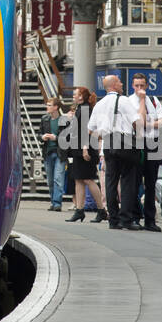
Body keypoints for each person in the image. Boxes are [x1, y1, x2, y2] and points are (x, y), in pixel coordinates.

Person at [88, 74, 138, 229]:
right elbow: (136, 122)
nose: (122, 83)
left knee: (110, 182)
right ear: (114, 85)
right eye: (119, 81)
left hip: (108, 143)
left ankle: (113, 220)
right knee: (128, 181)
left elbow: (90, 130)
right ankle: (126, 219)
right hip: (125, 141)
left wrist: (104, 134)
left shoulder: (99, 104)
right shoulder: (124, 100)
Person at [127, 74, 162, 231]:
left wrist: (148, 124)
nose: (140, 89)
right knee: (135, 183)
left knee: (151, 183)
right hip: (137, 144)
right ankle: (136, 216)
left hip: (153, 144)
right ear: (132, 86)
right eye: (137, 85)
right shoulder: (129, 102)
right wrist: (142, 102)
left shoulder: (154, 100)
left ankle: (150, 220)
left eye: (142, 85)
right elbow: (139, 122)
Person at [63, 86, 107, 223]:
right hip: (78, 149)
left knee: (88, 179)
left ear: (81, 96)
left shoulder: (86, 110)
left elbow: (87, 130)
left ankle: (101, 210)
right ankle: (79, 210)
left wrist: (85, 148)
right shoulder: (81, 109)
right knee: (79, 179)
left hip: (84, 149)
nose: (73, 97)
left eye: (75, 94)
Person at [39, 97, 67, 211]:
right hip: (48, 152)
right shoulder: (44, 119)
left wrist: (56, 138)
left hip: (60, 153)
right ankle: (53, 201)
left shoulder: (63, 121)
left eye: (49, 105)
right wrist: (42, 137)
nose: (47, 107)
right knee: (50, 180)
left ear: (56, 107)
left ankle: (57, 203)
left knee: (58, 178)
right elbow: (39, 133)